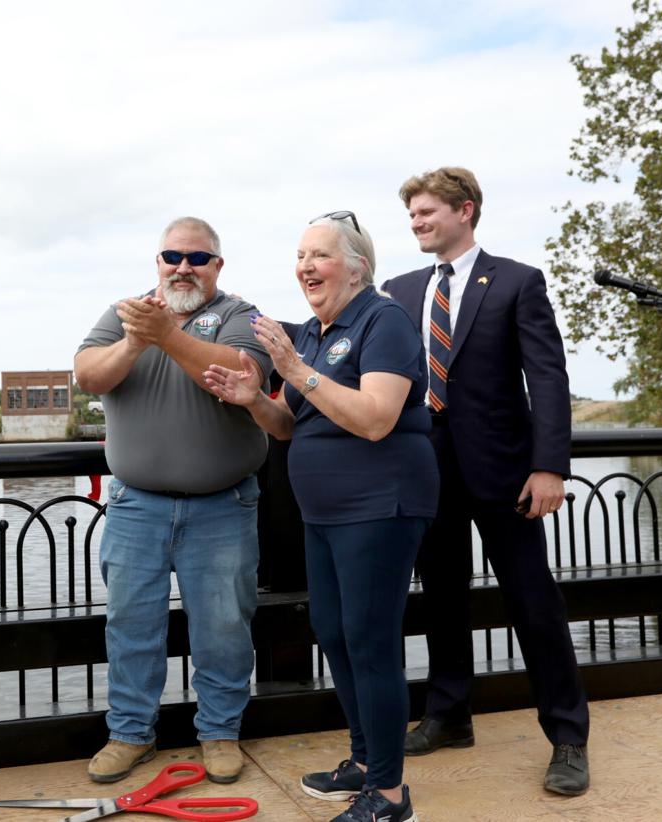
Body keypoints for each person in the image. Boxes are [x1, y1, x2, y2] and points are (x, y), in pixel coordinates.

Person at [205, 213, 437, 822]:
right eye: (300, 255)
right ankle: (364, 760)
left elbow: (376, 418)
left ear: (356, 268)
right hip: (324, 513)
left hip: (380, 506)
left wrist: (295, 371)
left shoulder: (383, 320)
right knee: (333, 632)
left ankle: (389, 796)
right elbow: (289, 425)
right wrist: (254, 400)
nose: (305, 266)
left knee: (370, 641)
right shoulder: (311, 332)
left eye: (320, 255)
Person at [383, 167, 590, 795]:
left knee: (534, 602)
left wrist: (549, 466)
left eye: (427, 212)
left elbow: (547, 377)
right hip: (426, 470)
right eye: (412, 215)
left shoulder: (518, 281)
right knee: (441, 598)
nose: (417, 223)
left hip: (507, 473)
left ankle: (568, 737)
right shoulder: (399, 289)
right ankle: (449, 715)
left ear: (465, 210)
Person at [74, 217, 272, 785]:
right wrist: (136, 340)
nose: (184, 267)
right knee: (130, 625)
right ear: (158, 262)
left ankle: (220, 733)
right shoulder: (125, 314)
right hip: (136, 507)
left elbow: (236, 373)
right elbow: (88, 375)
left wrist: (164, 334)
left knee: (224, 627)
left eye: (198, 258)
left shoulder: (240, 315)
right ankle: (129, 733)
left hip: (223, 505)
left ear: (217, 266)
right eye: (172, 256)